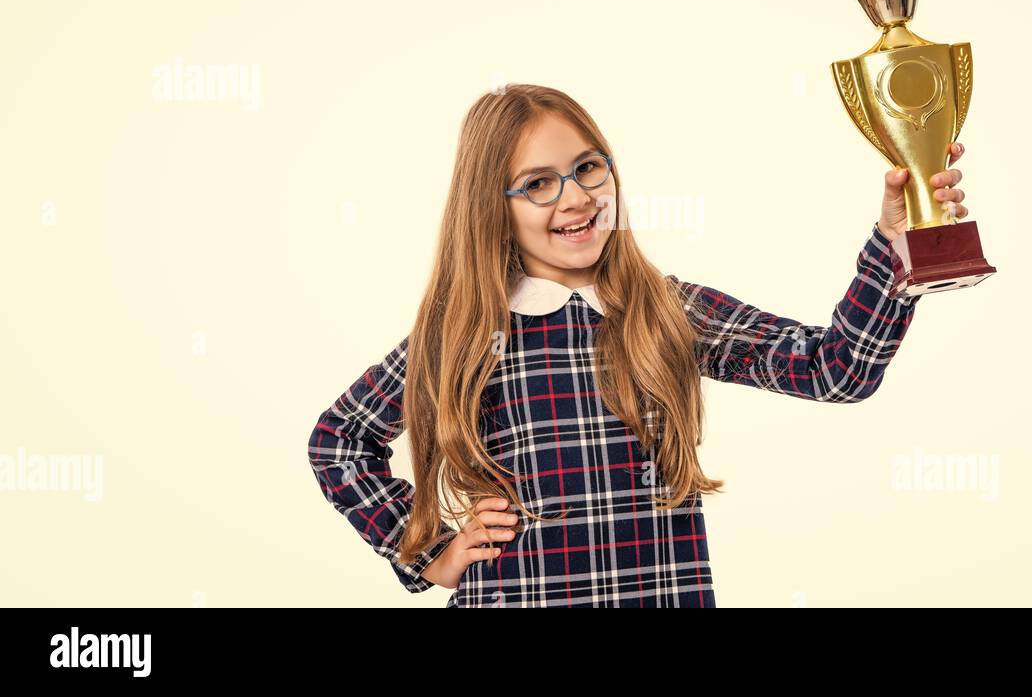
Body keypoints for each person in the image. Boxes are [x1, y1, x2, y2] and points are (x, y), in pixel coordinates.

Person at [306, 83, 970, 607]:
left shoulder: (667, 310)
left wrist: (897, 244)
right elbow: (337, 439)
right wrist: (430, 553)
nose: (575, 197)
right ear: (493, 206)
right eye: (538, 183)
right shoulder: (466, 332)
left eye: (588, 168)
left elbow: (836, 369)